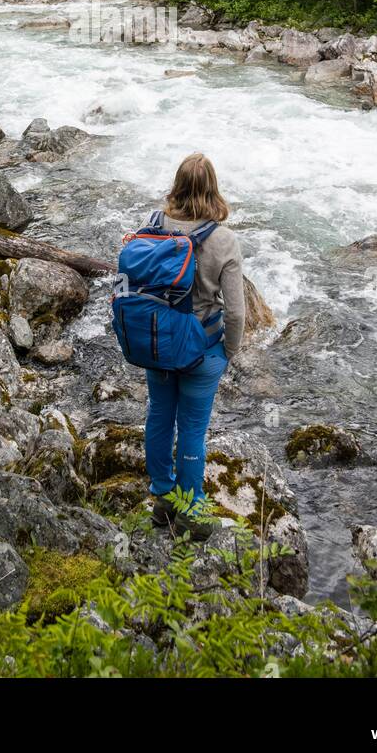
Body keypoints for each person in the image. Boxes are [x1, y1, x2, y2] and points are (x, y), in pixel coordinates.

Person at [141, 152, 245, 540]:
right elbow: (235, 313)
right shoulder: (224, 240)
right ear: (213, 189)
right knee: (192, 430)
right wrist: (228, 353)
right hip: (201, 348)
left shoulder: (153, 225)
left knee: (159, 416)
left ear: (177, 186)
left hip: (156, 343)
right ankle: (191, 509)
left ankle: (163, 497)